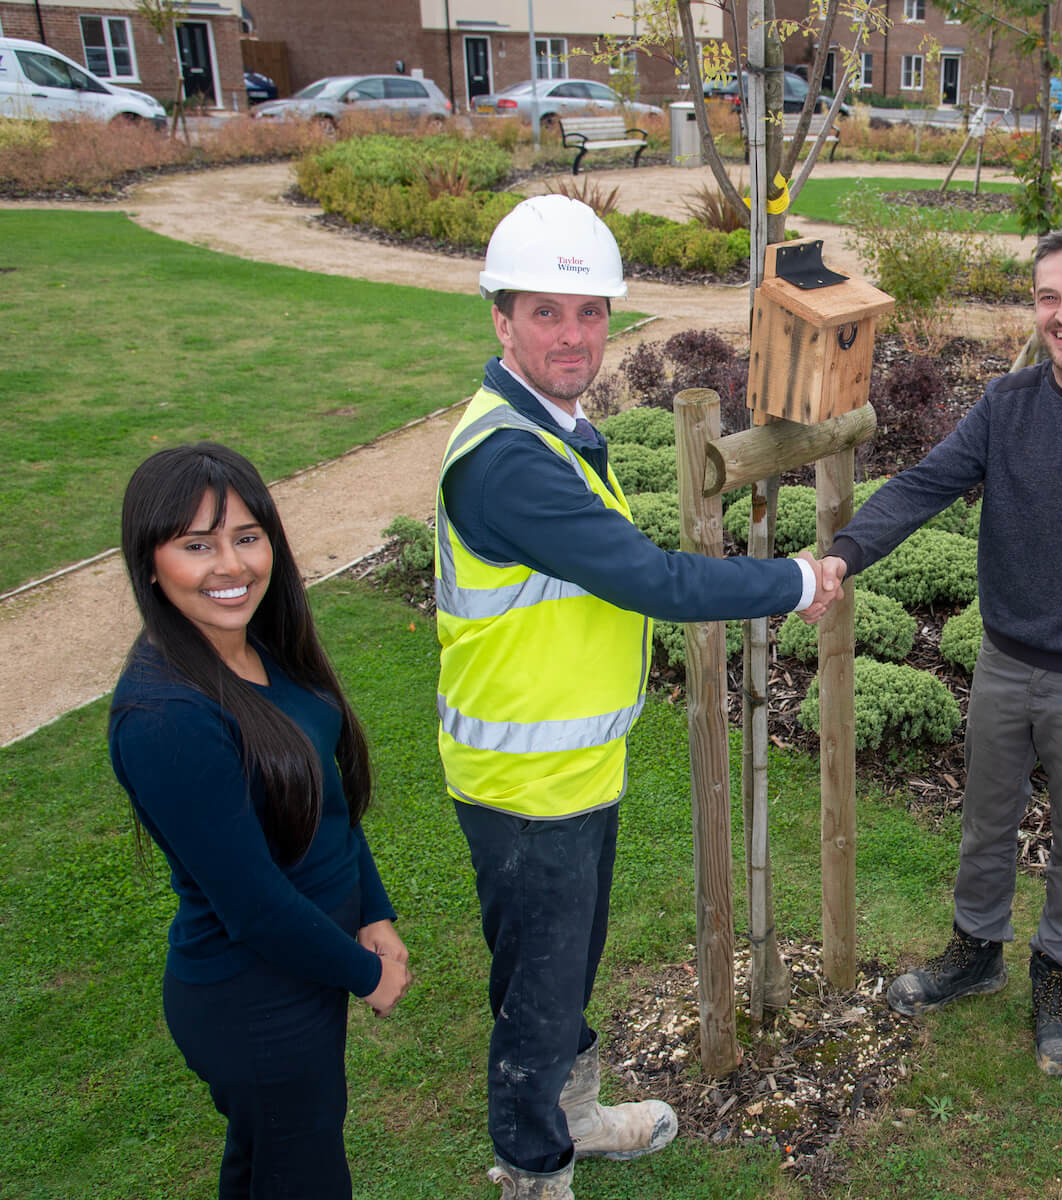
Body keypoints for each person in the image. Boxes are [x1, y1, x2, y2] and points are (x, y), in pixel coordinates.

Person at [437, 194, 834, 1199]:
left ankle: (572, 1116)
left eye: (589, 313)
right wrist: (792, 579)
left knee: (564, 970)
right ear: (500, 319)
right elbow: (652, 579)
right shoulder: (506, 463)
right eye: (546, 313)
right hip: (526, 785)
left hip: (569, 766)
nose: (573, 336)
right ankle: (535, 1170)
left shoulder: (555, 428)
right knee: (537, 991)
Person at [809, 226, 1062, 1076]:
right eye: (1047, 298)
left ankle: (1056, 976)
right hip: (1003, 661)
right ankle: (977, 952)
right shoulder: (1008, 402)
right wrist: (843, 555)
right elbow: (924, 483)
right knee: (985, 824)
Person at [108, 442, 411, 1199]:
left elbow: (328, 803)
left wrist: (371, 909)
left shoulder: (264, 650)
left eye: (247, 537)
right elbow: (252, 905)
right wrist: (364, 973)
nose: (231, 566)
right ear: (151, 563)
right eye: (196, 546)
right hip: (255, 1003)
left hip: (302, 976)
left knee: (266, 1170)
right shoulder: (165, 718)